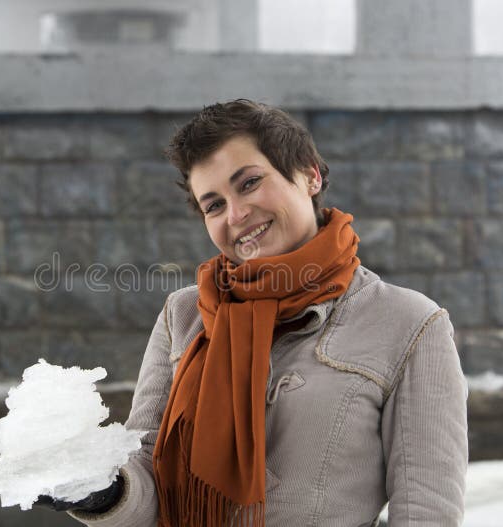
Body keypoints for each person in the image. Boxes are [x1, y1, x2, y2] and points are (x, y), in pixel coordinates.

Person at [41, 99, 469, 526]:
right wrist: (106, 492)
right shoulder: (185, 313)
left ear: (309, 174)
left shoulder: (410, 324)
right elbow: (150, 473)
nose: (237, 214)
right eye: (214, 205)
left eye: (248, 183)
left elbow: (427, 513)